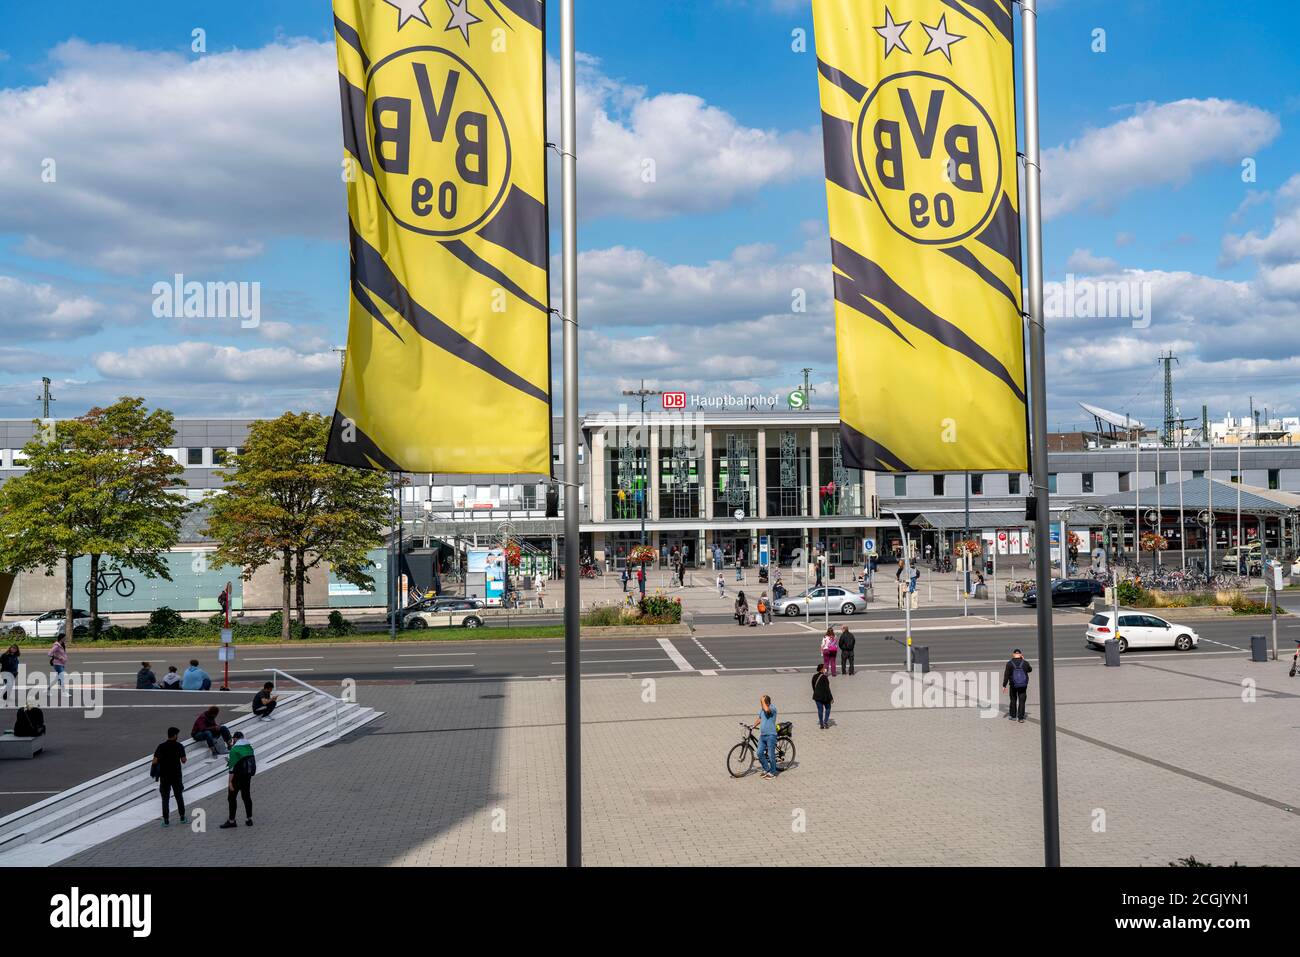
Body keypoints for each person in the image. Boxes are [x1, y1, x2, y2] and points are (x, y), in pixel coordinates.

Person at [151, 726, 188, 827]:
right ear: (175, 735)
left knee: (165, 798)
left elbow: (154, 761)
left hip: (164, 776)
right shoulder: (179, 746)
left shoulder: (161, 746)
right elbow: (184, 760)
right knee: (178, 796)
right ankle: (182, 817)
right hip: (176, 775)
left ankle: (166, 820)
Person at [220, 732, 256, 829]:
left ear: (235, 738)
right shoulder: (249, 747)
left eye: (233, 739)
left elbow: (232, 769)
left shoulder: (234, 749)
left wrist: (230, 783)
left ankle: (232, 821)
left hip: (237, 777)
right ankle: (249, 819)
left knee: (231, 798)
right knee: (246, 797)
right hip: (247, 776)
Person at [751, 694, 780, 779]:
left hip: (771, 735)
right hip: (763, 735)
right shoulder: (762, 709)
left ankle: (773, 772)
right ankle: (767, 769)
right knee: (759, 753)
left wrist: (764, 702)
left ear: (766, 702)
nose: (760, 703)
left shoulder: (772, 708)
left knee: (771, 755)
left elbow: (767, 711)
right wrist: (753, 726)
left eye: (762, 702)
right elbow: (760, 718)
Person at [1002, 649, 1033, 723]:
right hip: (1023, 685)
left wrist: (1004, 685)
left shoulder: (1009, 663)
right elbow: (1030, 670)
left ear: (1013, 655)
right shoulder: (1025, 663)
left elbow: (1006, 675)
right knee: (1022, 701)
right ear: (1020, 654)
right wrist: (1024, 660)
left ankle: (1013, 716)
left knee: (1013, 700)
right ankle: (1020, 718)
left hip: (1013, 685)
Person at [812, 663, 834, 729]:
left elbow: (813, 686)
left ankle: (821, 724)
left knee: (820, 710)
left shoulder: (814, 676)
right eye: (824, 668)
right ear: (821, 669)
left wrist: (816, 693)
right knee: (828, 708)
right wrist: (831, 698)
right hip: (825, 697)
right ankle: (825, 722)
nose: (825, 669)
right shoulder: (824, 677)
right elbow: (827, 689)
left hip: (817, 696)